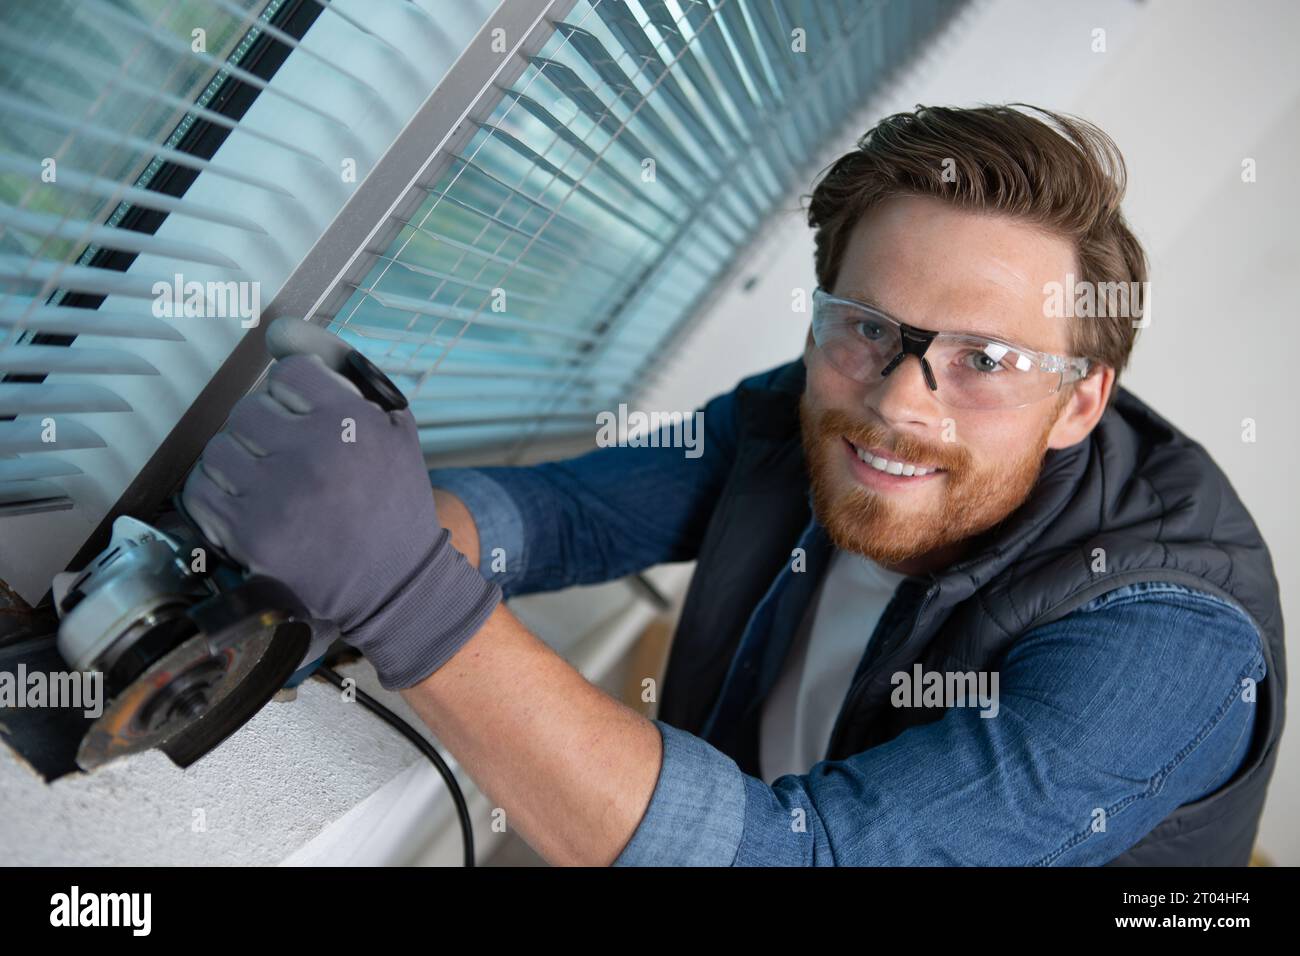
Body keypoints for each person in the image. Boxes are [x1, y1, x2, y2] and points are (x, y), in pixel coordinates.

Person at [183, 104, 1284, 866]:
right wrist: (329, 530)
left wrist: (398, 590)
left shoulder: (1166, 646)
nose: (901, 401)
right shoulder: (805, 401)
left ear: (1082, 402)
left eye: (984, 361)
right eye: (866, 327)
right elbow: (557, 516)